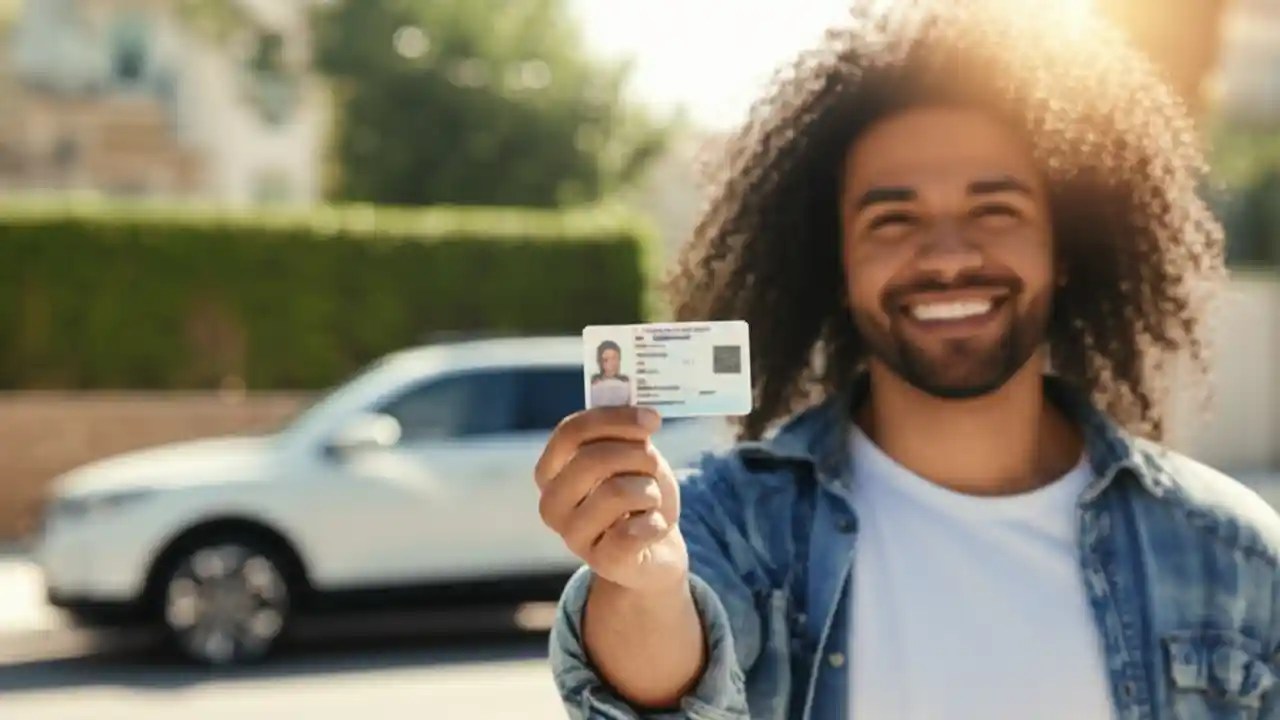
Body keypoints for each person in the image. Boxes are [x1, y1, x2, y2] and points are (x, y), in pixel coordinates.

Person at [533, 1, 1280, 718]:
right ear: (837, 264)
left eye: (996, 210)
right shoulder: (727, 527)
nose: (948, 256)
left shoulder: (1230, 551)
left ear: (1067, 250)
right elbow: (651, 692)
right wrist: (644, 584)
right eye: (894, 219)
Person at [590, 340, 633, 407]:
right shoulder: (594, 384)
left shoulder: (626, 383)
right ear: (600, 362)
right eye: (606, 360)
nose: (611, 364)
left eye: (614, 359)